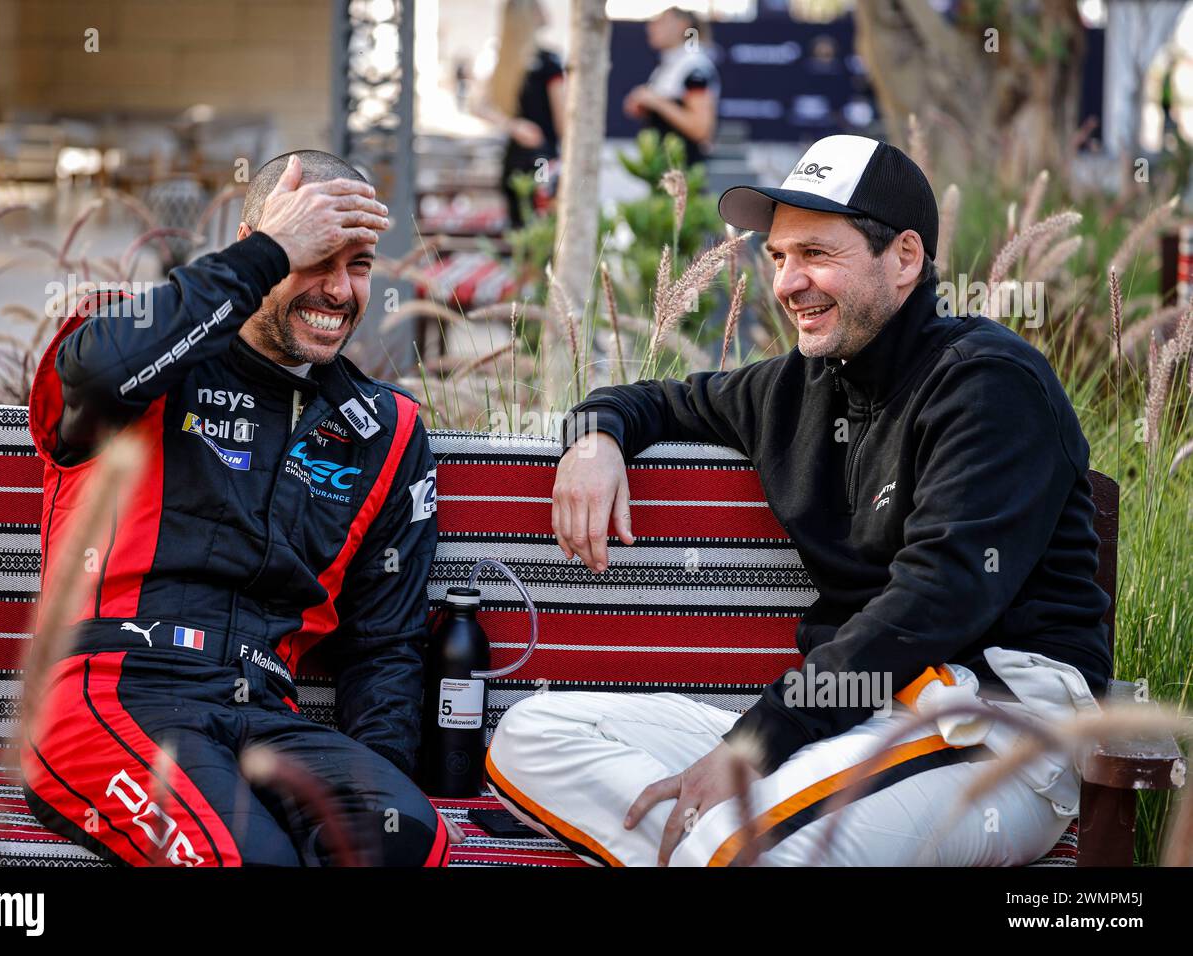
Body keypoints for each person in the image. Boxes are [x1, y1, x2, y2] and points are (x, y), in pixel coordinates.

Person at [485, 134, 1113, 866]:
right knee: (530, 737)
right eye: (779, 257)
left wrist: (758, 741)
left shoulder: (990, 385)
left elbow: (935, 599)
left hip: (989, 733)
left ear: (905, 257)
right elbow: (653, 401)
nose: (787, 283)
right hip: (845, 724)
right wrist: (595, 438)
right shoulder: (792, 387)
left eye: (816, 253)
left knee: (745, 843)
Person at [21, 149, 456, 867]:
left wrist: (373, 785)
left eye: (358, 265)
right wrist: (265, 254)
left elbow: (384, 647)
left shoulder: (385, 429)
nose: (339, 291)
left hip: (262, 713)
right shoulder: (147, 353)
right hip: (110, 692)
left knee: (407, 839)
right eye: (316, 257)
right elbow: (96, 374)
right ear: (262, 239)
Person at [472, 0, 566, 229]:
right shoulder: (548, 62)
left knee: (519, 231)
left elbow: (477, 104)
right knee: (541, 221)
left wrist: (512, 125)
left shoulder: (504, 60)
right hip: (543, 159)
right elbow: (563, 122)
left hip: (513, 162)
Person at [623, 5, 720, 168]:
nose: (651, 28)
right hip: (664, 171)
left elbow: (700, 129)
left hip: (686, 174)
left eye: (660, 22)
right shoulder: (668, 64)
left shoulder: (694, 66)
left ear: (682, 25)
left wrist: (655, 101)